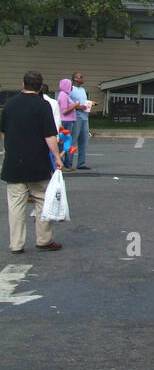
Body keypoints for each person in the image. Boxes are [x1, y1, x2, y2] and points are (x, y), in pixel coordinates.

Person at [0, 71, 65, 253]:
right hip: (38, 162)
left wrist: (7, 149)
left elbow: (3, 131)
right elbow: (49, 135)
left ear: (23, 85)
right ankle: (44, 239)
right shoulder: (43, 106)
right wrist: (57, 157)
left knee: (15, 205)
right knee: (43, 199)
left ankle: (16, 244)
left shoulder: (9, 105)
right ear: (40, 87)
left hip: (14, 162)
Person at [69, 71, 91, 169]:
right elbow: (68, 104)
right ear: (75, 79)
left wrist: (89, 104)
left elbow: (83, 101)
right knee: (73, 140)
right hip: (76, 117)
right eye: (80, 77)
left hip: (85, 117)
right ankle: (68, 163)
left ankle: (81, 163)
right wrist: (78, 107)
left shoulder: (82, 89)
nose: (82, 79)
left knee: (84, 140)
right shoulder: (71, 90)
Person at [57, 78, 78, 169]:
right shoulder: (63, 95)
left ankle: (68, 164)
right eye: (70, 85)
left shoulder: (65, 95)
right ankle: (64, 164)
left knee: (66, 142)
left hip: (69, 121)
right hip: (66, 121)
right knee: (65, 142)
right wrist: (75, 105)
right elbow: (64, 111)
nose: (71, 87)